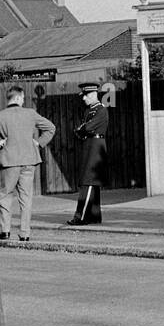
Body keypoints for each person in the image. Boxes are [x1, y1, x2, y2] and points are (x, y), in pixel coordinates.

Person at [0, 84, 56, 242]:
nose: (23, 100)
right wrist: (39, 143)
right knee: (26, 198)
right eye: (23, 98)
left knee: (6, 195)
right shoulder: (30, 113)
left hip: (10, 161)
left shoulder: (0, 116)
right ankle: (25, 233)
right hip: (29, 160)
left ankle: (5, 231)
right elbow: (51, 127)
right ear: (18, 98)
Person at [66, 82, 108, 226]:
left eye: (85, 96)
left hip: (96, 146)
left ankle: (81, 216)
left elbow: (87, 127)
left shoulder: (101, 110)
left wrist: (82, 129)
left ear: (92, 95)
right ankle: (94, 216)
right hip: (89, 145)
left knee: (88, 182)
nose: (83, 99)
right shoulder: (88, 111)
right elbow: (83, 130)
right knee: (92, 182)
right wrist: (82, 130)